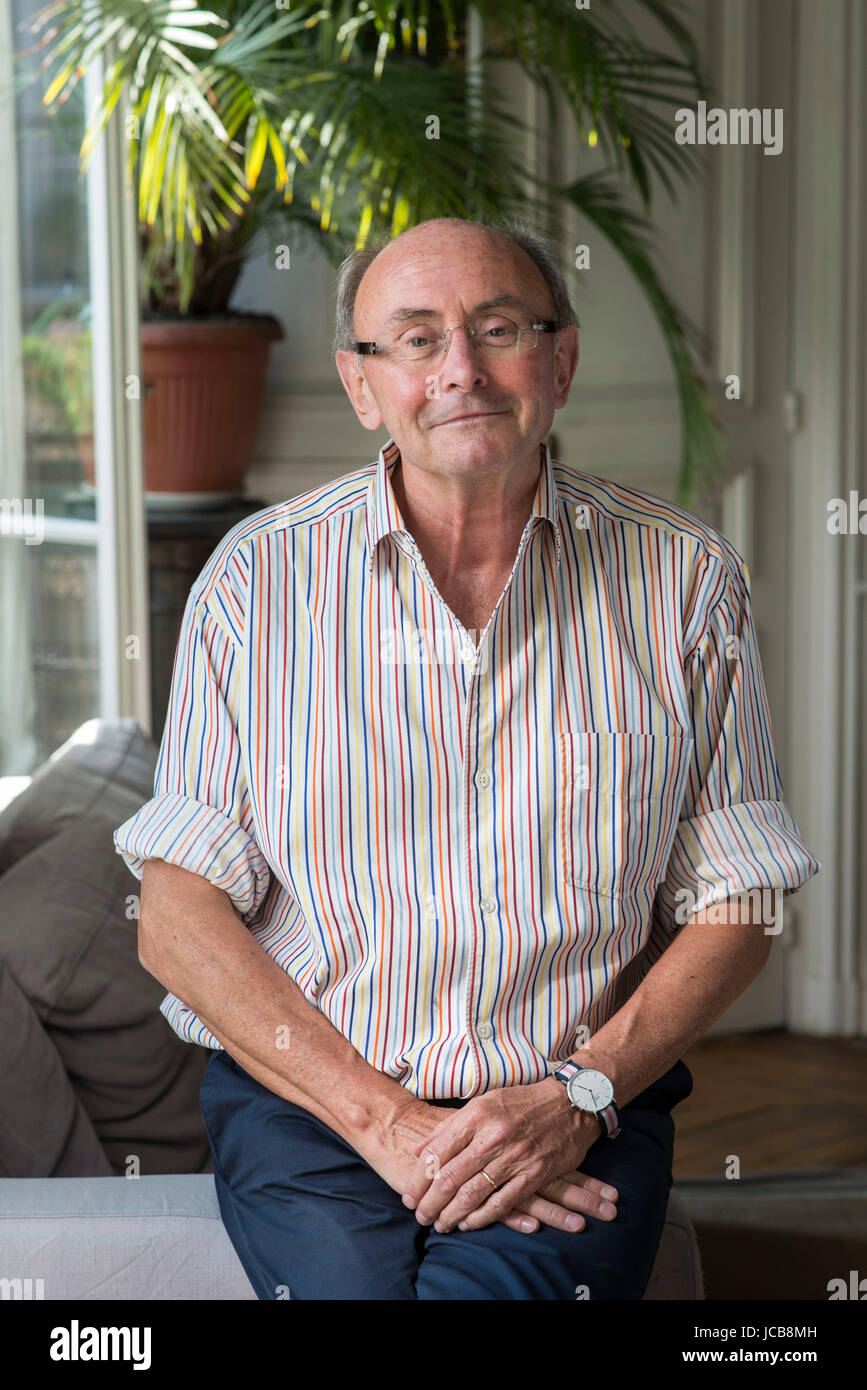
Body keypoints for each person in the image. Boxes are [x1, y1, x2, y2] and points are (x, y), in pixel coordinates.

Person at [115, 215, 820, 1300]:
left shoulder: (688, 583)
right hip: (315, 1103)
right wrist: (387, 1122)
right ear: (363, 386)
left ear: (563, 358)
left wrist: (576, 1097)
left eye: (497, 328)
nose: (460, 370)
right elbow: (175, 914)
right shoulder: (256, 585)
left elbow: (742, 904)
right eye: (414, 338)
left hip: (576, 1099)